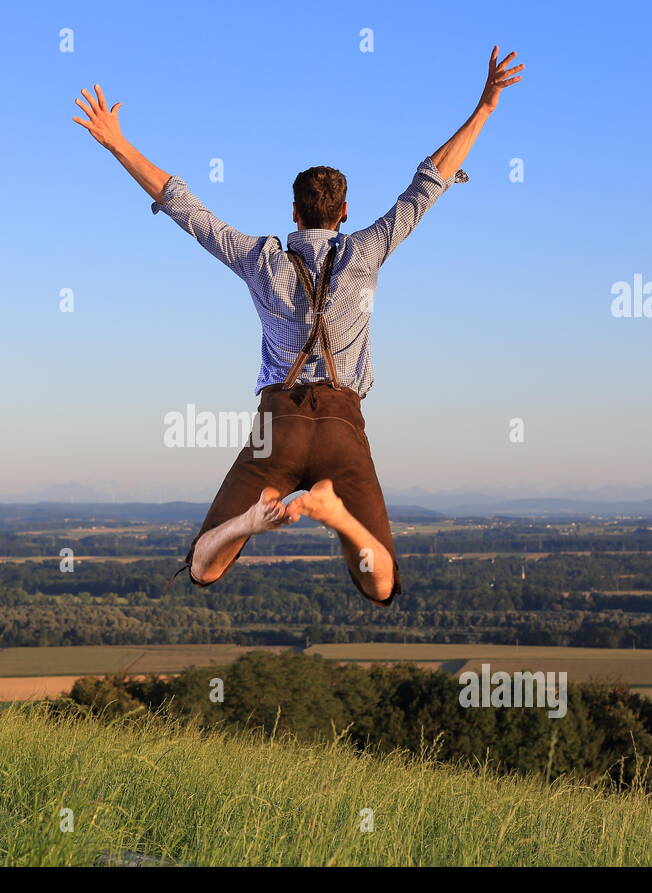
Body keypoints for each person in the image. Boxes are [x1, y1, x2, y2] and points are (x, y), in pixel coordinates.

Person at [72, 46, 524, 605]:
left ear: (293, 213)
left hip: (275, 430)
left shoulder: (260, 257)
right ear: (344, 213)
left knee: (203, 567)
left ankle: (248, 527)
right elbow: (427, 183)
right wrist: (485, 105)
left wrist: (117, 141)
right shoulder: (366, 248)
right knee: (380, 584)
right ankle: (337, 517)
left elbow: (185, 207)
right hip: (343, 426)